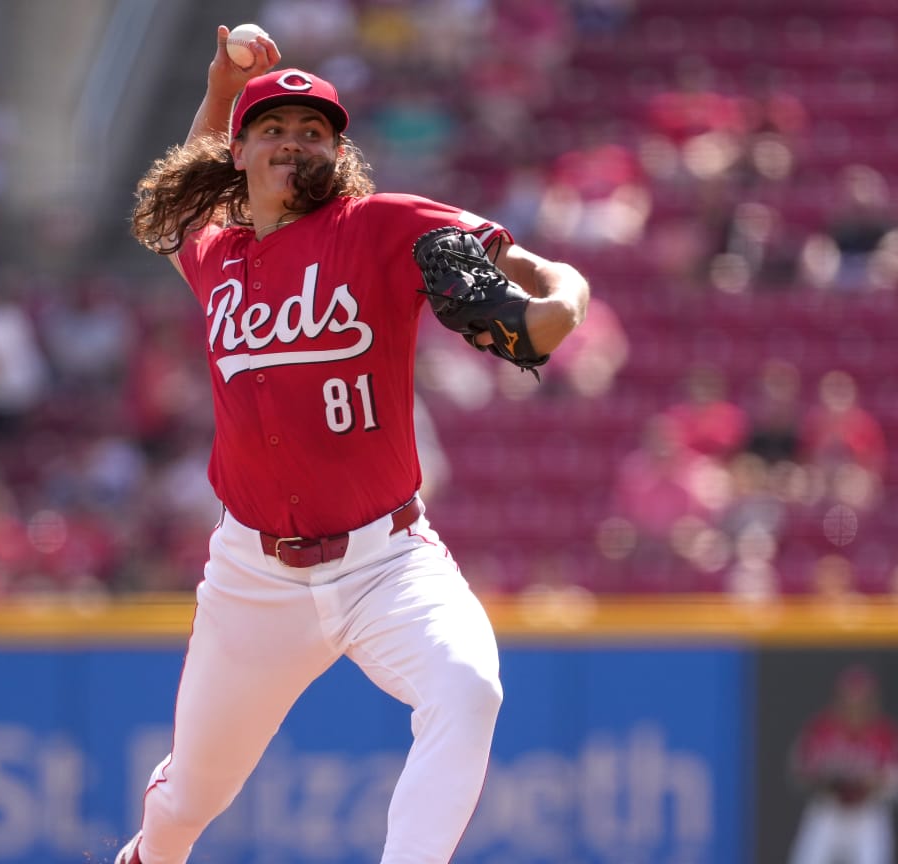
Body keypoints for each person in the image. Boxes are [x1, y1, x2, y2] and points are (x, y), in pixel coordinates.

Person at [116, 27, 589, 864]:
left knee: (469, 688)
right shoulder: (215, 254)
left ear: (339, 152)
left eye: (313, 132)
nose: (293, 144)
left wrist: (568, 294)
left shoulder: (382, 225)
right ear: (242, 152)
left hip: (388, 560)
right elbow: (190, 181)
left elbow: (530, 281)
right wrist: (222, 80)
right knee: (191, 795)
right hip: (253, 576)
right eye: (273, 130)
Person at [788, 665, 898, 864]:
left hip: (868, 812)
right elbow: (798, 770)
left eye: (861, 702)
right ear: (838, 700)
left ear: (872, 702)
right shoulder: (820, 729)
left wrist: (876, 783)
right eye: (848, 700)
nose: (854, 707)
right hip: (828, 809)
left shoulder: (887, 734)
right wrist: (825, 779)